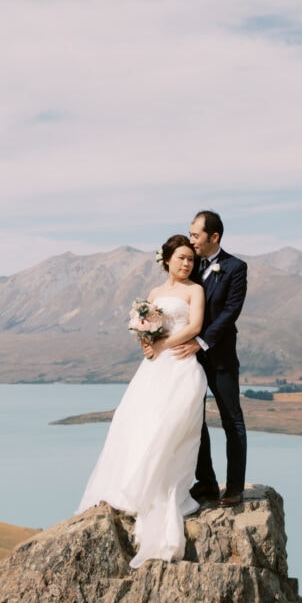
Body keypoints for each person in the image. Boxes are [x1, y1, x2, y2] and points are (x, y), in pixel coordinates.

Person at [76, 234, 209, 568]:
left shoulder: (195, 291)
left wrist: (164, 345)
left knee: (170, 430)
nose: (186, 264)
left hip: (181, 367)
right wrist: (148, 343)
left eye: (190, 259)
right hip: (153, 370)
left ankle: (162, 489)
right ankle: (132, 487)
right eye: (180, 258)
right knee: (136, 424)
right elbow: (147, 328)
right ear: (167, 260)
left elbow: (194, 325)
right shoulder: (154, 294)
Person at [164, 210, 248, 507]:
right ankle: (208, 483)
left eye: (196, 235)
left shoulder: (235, 267)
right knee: (194, 420)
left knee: (231, 421)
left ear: (214, 237)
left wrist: (201, 341)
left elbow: (229, 312)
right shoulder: (190, 263)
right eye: (190, 234)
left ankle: (235, 487)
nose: (192, 241)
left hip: (220, 356)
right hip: (188, 361)